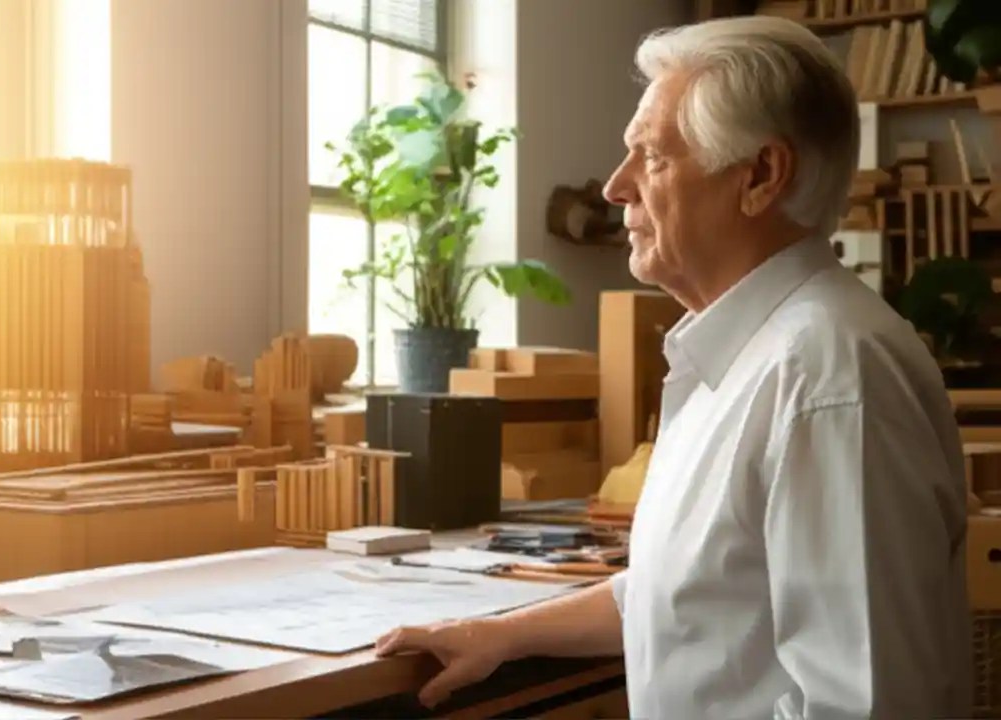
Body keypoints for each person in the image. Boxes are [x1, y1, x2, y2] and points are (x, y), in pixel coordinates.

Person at [375, 15, 972, 718]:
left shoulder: (829, 375)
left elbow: (866, 706)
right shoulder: (743, 353)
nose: (616, 187)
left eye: (652, 157)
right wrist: (500, 633)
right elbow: (686, 595)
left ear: (760, 175)